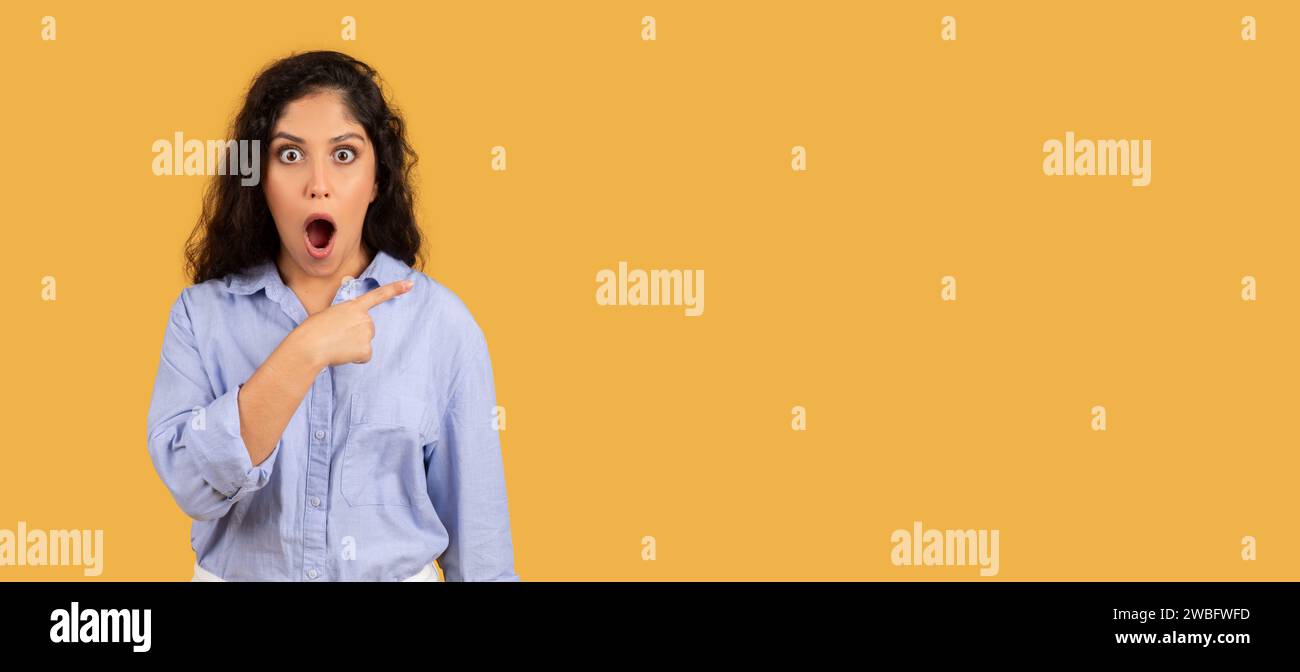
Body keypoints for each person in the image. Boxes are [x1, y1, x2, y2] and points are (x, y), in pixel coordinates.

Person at [145, 50, 518, 581]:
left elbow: (481, 549)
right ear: (259, 178)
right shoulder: (200, 317)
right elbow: (190, 484)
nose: (317, 183)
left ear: (377, 180)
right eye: (290, 156)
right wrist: (305, 351)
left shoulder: (440, 323)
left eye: (344, 155)